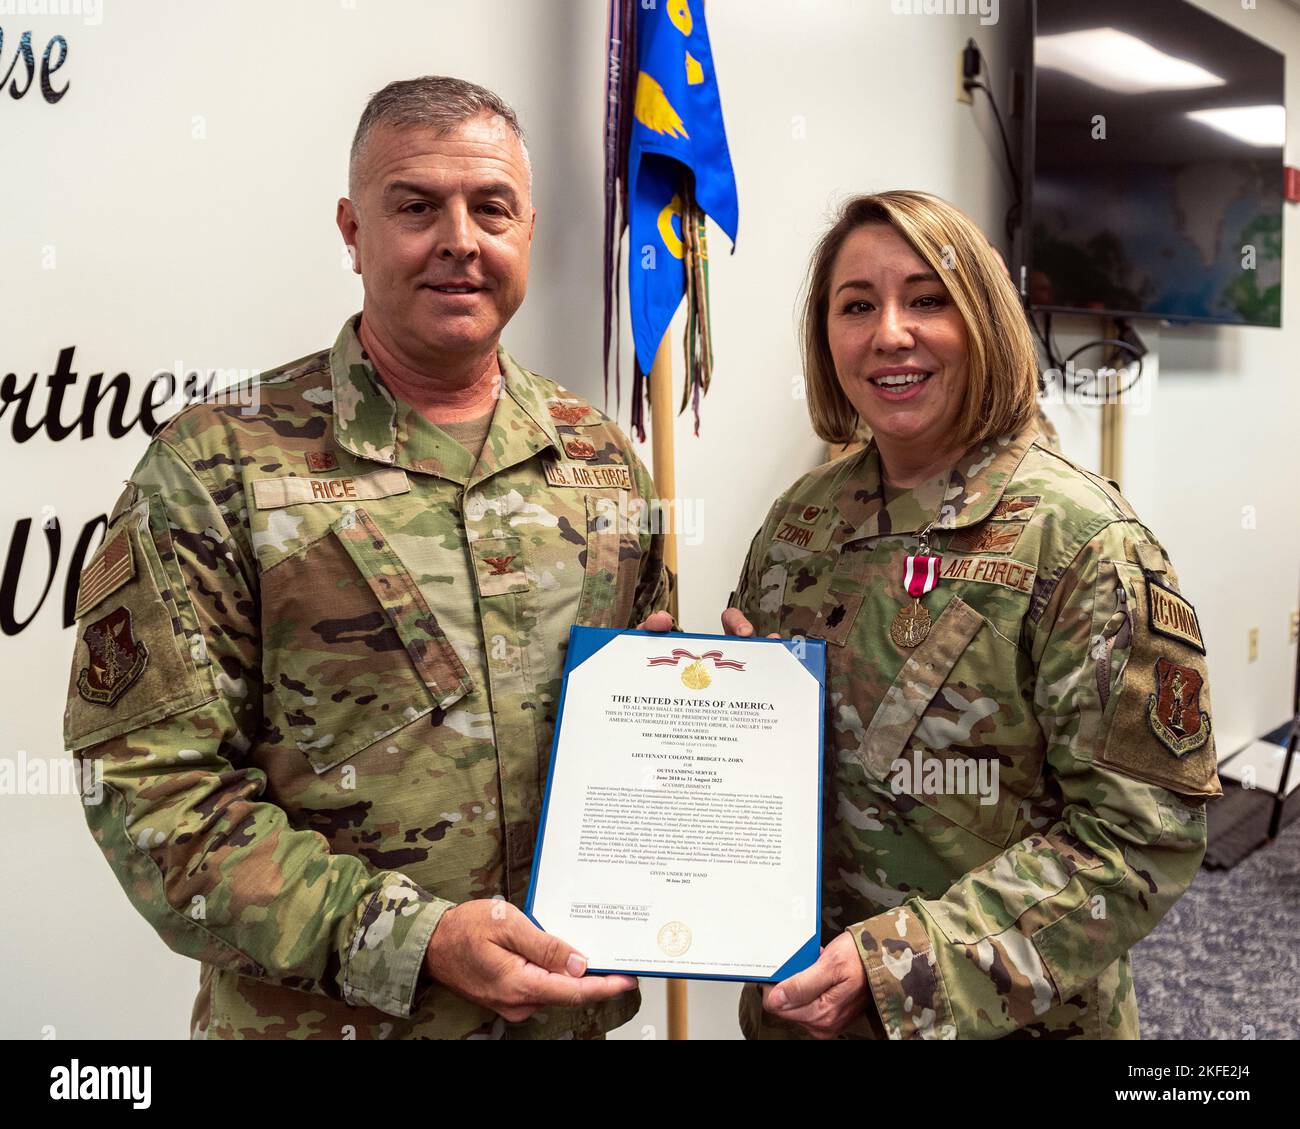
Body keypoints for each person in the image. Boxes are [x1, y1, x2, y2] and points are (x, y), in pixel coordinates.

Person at [62, 76, 672, 1040]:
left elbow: (649, 740)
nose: (459, 240)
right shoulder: (219, 464)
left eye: (491, 208)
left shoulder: (600, 461)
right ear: (353, 230)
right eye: (417, 206)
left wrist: (730, 702)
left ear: (529, 229)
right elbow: (153, 791)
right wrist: (413, 939)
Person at [722, 190, 1220, 1040]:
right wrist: (695, 711)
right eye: (856, 305)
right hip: (803, 1013)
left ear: (984, 321)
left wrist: (902, 969)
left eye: (927, 298)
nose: (889, 332)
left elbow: (1140, 843)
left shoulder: (1083, 540)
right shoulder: (800, 520)